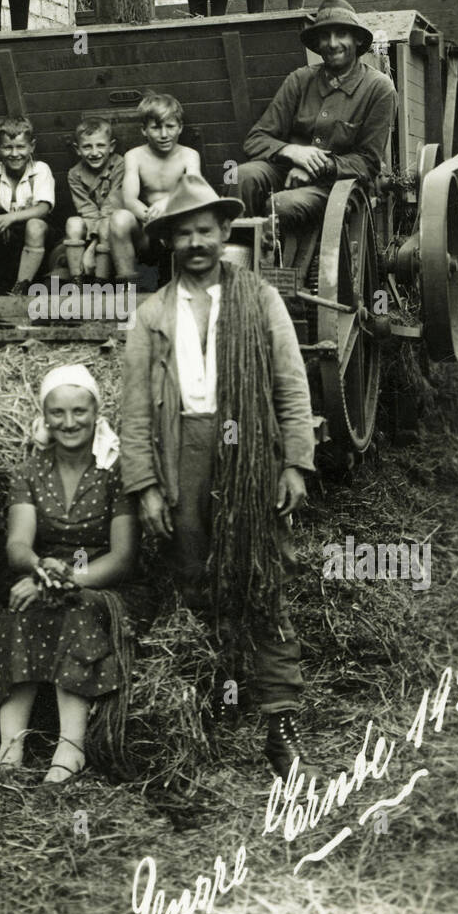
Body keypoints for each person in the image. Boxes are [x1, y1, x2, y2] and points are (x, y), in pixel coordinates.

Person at [119, 174, 319, 779]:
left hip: (251, 451)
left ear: (225, 232)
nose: (197, 242)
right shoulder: (151, 314)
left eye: (206, 230)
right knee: (194, 572)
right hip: (183, 447)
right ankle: (215, 697)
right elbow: (132, 410)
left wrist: (294, 462)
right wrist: (147, 484)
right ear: (170, 243)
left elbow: (289, 383)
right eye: (185, 233)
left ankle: (280, 722)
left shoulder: (259, 299)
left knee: (263, 573)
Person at [0, 365, 154, 784]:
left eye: (79, 411)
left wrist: (62, 582)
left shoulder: (117, 469)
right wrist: (40, 569)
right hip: (50, 571)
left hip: (106, 581)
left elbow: (124, 556)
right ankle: (11, 746)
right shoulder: (29, 470)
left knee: (73, 605)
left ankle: (70, 746)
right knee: (20, 607)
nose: (69, 422)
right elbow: (18, 544)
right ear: (44, 415)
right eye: (57, 412)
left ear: (97, 412)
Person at [231, 0, 396, 234]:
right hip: (287, 172)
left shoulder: (379, 88)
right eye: (325, 36)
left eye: (341, 34)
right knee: (237, 176)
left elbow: (368, 163)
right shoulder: (300, 79)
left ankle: (275, 263)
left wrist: (319, 166)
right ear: (317, 43)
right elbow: (256, 139)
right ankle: (237, 259)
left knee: (279, 206)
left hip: (339, 186)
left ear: (357, 39)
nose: (332, 43)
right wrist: (292, 151)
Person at [109, 93, 201, 280]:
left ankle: (187, 283)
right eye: (156, 128)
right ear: (144, 130)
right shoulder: (134, 156)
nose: (164, 134)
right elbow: (130, 200)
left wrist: (167, 203)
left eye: (170, 126)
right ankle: (127, 286)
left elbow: (194, 188)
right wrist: (154, 224)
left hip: (179, 225)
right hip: (147, 227)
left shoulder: (189, 155)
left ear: (180, 127)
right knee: (119, 218)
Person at [0, 117, 55, 295]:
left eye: (21, 147)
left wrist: (10, 218)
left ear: (32, 146)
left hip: (33, 235)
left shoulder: (40, 169)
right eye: (8, 147)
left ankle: (21, 287)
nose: (15, 154)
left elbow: (43, 209)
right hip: (3, 235)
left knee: (35, 225)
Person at [65, 117, 125, 281]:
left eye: (100, 145)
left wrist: (91, 248)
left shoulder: (119, 165)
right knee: (73, 223)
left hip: (114, 225)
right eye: (87, 146)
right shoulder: (74, 174)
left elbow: (111, 207)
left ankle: (101, 279)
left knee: (106, 223)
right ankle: (77, 279)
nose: (94, 152)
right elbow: (86, 210)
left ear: (111, 146)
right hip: (92, 224)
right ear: (78, 149)